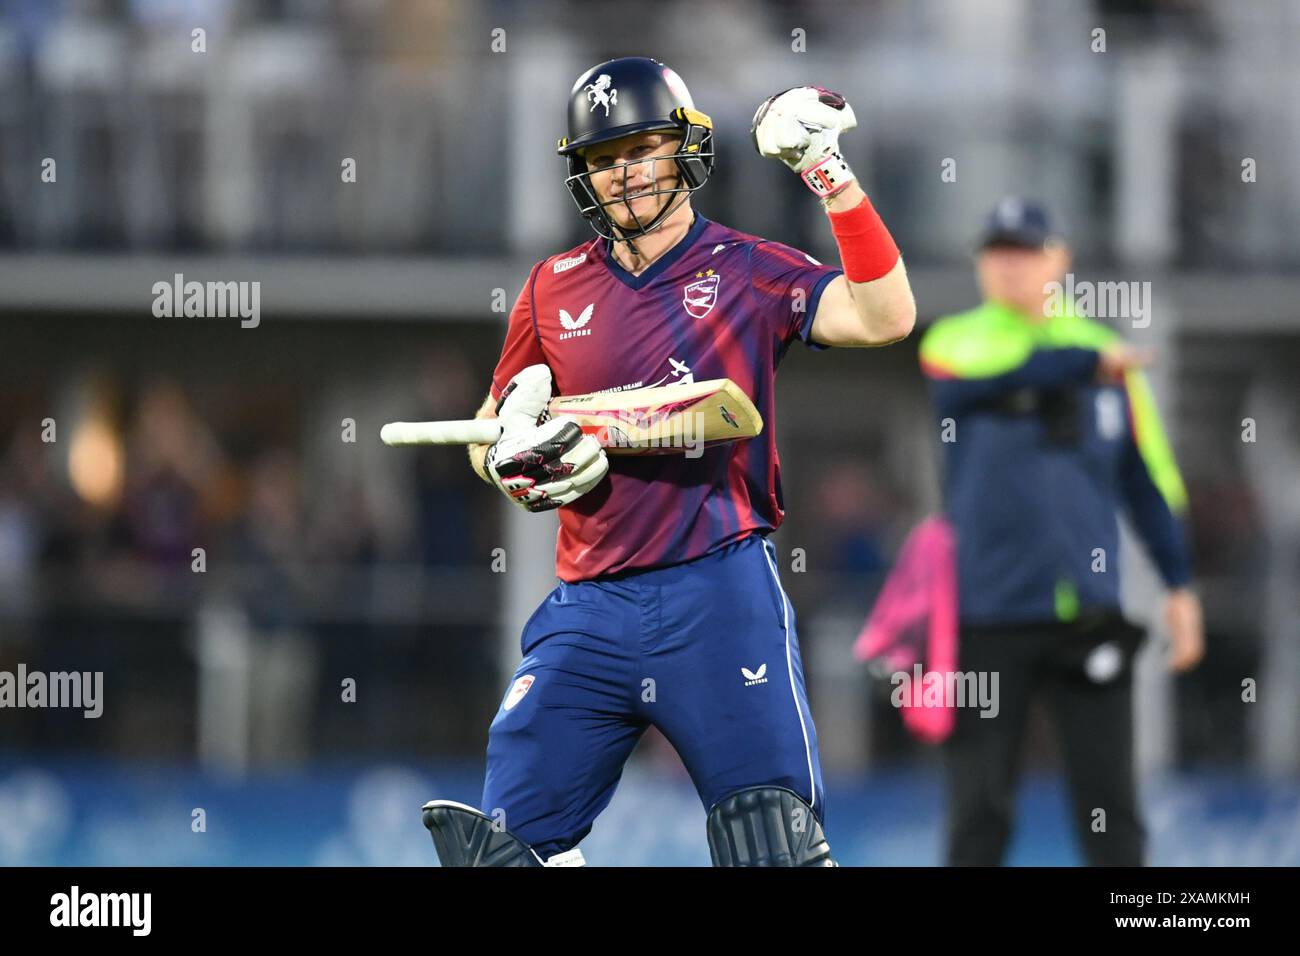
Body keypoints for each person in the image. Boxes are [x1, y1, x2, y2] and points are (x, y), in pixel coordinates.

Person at [420, 57, 915, 866]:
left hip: (716, 591)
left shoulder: (749, 269)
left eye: (641, 149)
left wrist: (830, 172)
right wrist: (510, 456)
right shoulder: (551, 286)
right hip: (589, 608)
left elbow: (887, 316)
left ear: (685, 148)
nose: (624, 175)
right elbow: (492, 424)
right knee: (501, 856)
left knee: (773, 843)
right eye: (603, 159)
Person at [918, 198, 1205, 866]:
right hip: (985, 615)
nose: (1010, 266)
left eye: (1025, 251)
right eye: (997, 253)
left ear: (1060, 259)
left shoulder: (1106, 358)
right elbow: (973, 388)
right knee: (979, 810)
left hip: (1089, 614)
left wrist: (1180, 587)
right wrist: (1078, 367)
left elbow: (1144, 483)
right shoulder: (957, 341)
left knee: (1111, 813)